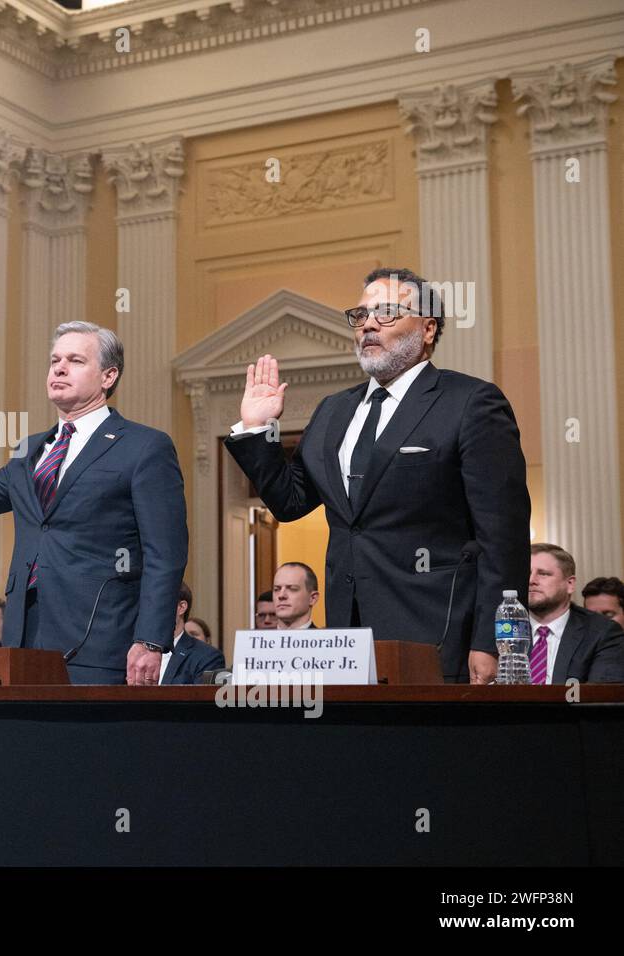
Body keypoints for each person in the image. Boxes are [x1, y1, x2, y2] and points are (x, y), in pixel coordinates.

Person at [225, 268, 530, 683]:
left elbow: (503, 539)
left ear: (427, 329)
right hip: (345, 638)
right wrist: (259, 430)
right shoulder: (334, 410)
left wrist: (493, 641)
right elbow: (291, 502)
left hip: (438, 632)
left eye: (386, 313)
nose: (368, 323)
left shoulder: (470, 403)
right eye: (361, 314)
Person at [0, 321, 188, 685]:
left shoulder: (143, 447)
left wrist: (151, 640)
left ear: (108, 376)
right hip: (24, 637)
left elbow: (164, 552)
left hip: (100, 643)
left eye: (75, 360)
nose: (59, 368)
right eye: (55, 360)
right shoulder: (29, 450)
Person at [526, 545, 624, 683]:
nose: (531, 580)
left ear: (570, 584)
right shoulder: (502, 627)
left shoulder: (602, 633)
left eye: (543, 574)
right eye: (527, 573)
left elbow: (600, 698)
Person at [161, 582, 224, 685]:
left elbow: (200, 699)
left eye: (160, 602)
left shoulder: (207, 657)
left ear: (181, 607)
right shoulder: (134, 650)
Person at [272, 562, 319, 629]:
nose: (281, 595)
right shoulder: (258, 639)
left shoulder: (326, 639)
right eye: (276, 589)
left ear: (312, 598)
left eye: (292, 589)